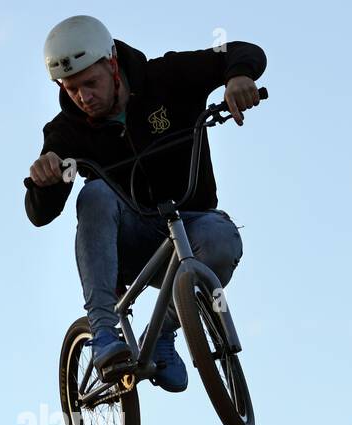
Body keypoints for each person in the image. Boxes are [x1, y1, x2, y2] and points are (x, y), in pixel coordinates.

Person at [25, 16, 266, 390]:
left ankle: (164, 333)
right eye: (72, 90)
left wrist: (237, 77)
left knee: (222, 239)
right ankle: (104, 332)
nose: (84, 97)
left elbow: (238, 51)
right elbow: (41, 213)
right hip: (131, 244)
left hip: (191, 222)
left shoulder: (166, 78)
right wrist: (46, 177)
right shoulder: (66, 132)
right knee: (95, 193)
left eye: (91, 83)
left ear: (113, 64)